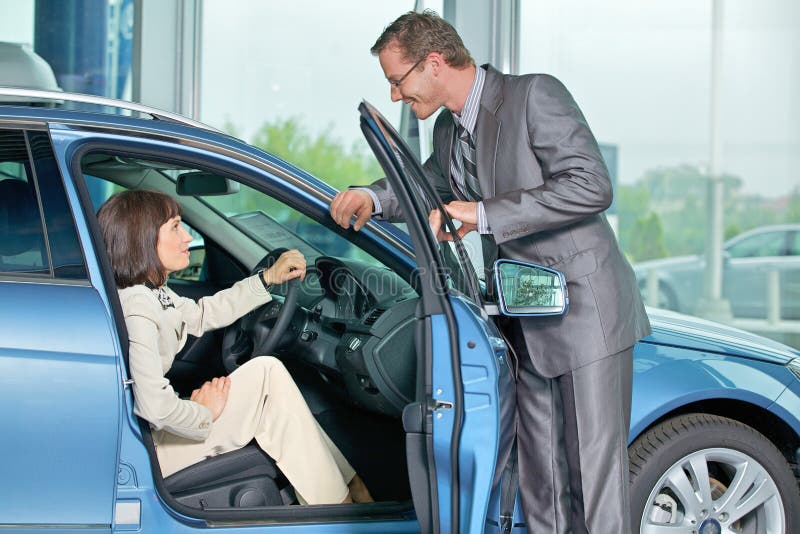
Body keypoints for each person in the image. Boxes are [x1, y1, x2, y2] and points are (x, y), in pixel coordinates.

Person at [330, 10, 650, 533]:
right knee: (540, 482)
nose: (394, 96)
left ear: (433, 63)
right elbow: (427, 186)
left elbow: (592, 185)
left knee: (592, 480)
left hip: (586, 312)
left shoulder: (533, 96)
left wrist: (484, 214)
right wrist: (370, 195)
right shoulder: (448, 132)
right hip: (525, 316)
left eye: (396, 81)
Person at [98, 189, 372, 505]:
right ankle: (345, 509)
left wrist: (265, 280)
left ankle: (352, 492)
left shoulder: (150, 293)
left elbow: (201, 313)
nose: (187, 237)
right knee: (268, 381)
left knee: (267, 371)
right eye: (175, 227)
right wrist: (202, 412)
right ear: (142, 238)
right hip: (148, 450)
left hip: (150, 437)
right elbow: (154, 408)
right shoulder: (138, 307)